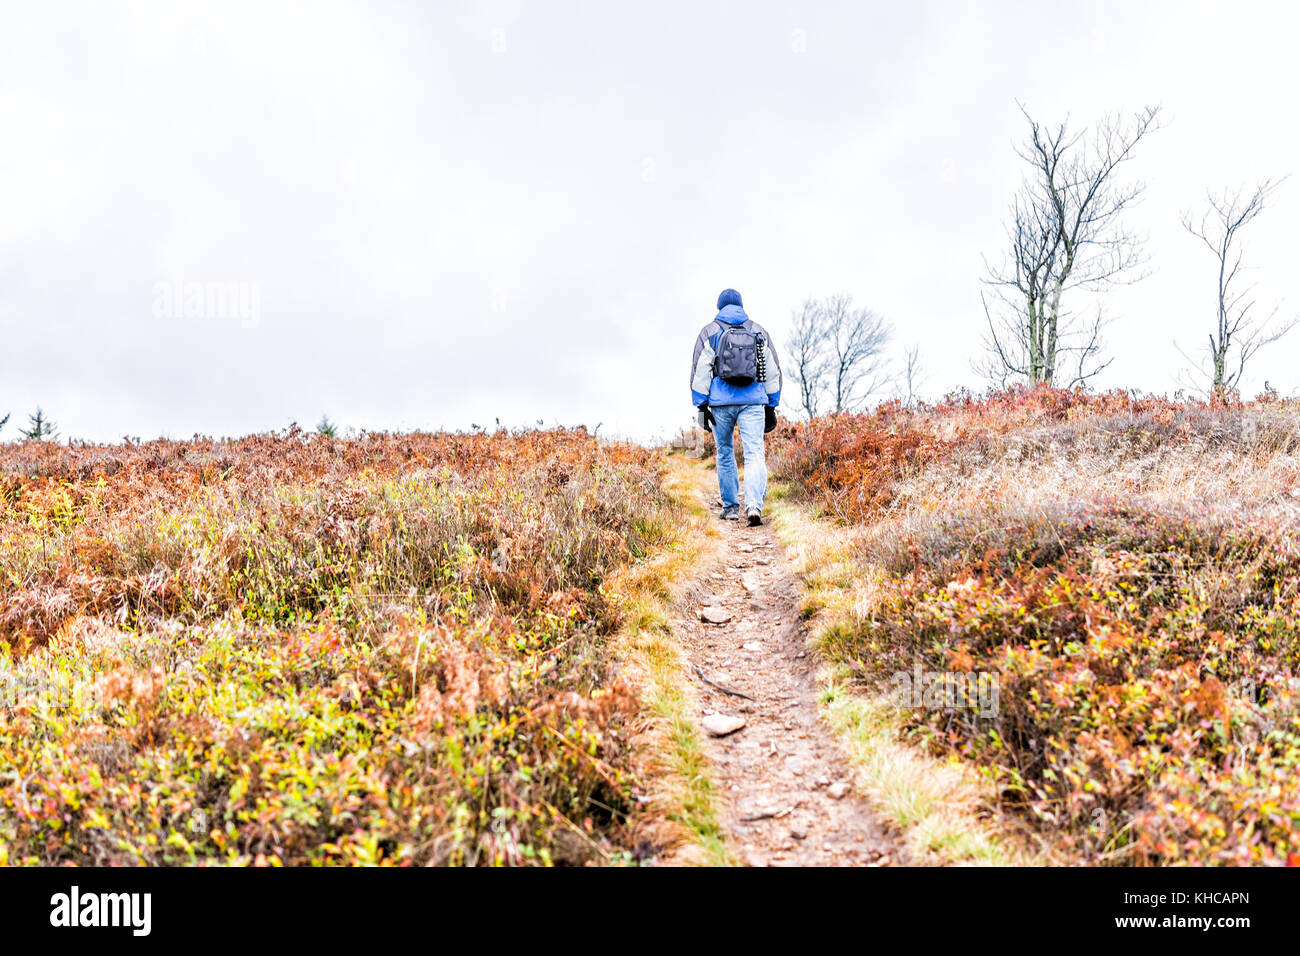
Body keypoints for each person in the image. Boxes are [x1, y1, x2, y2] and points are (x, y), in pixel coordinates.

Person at [690, 288, 782, 525]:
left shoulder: (710, 331)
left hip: (721, 403)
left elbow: (701, 370)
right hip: (753, 402)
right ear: (741, 305)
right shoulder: (757, 330)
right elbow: (772, 371)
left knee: (725, 451)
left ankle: (731, 508)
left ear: (719, 307)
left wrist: (701, 406)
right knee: (754, 453)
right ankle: (754, 506)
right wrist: (771, 405)